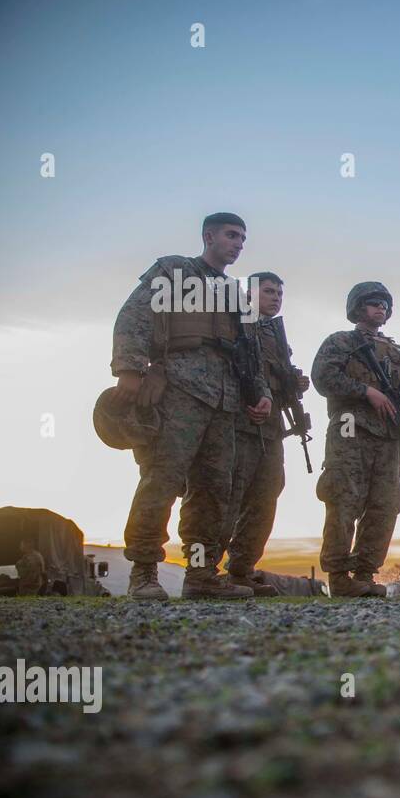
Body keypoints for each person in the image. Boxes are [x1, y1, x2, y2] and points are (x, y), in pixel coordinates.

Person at [110, 212, 271, 600]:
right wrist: (129, 371)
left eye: (243, 239)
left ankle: (201, 575)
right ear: (208, 236)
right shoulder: (175, 270)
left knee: (214, 489)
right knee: (162, 478)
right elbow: (133, 317)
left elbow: (252, 349)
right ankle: (144, 571)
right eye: (232, 235)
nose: (238, 244)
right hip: (178, 389)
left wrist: (261, 392)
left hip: (225, 400)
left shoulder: (237, 293)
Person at [312, 282, 400, 597]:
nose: (381, 309)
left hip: (391, 438)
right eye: (373, 303)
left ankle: (364, 574)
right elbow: (323, 377)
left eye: (385, 305)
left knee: (385, 504)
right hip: (351, 429)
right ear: (358, 307)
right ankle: (339, 576)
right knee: (344, 498)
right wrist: (366, 391)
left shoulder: (398, 353)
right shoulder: (341, 342)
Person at [219, 271, 308, 596]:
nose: (275, 297)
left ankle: (241, 570)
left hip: (271, 428)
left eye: (279, 293)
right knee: (230, 494)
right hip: (238, 423)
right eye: (268, 291)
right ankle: (203, 570)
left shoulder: (275, 334)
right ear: (250, 293)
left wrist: (293, 383)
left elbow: (275, 376)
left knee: (267, 493)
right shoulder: (234, 322)